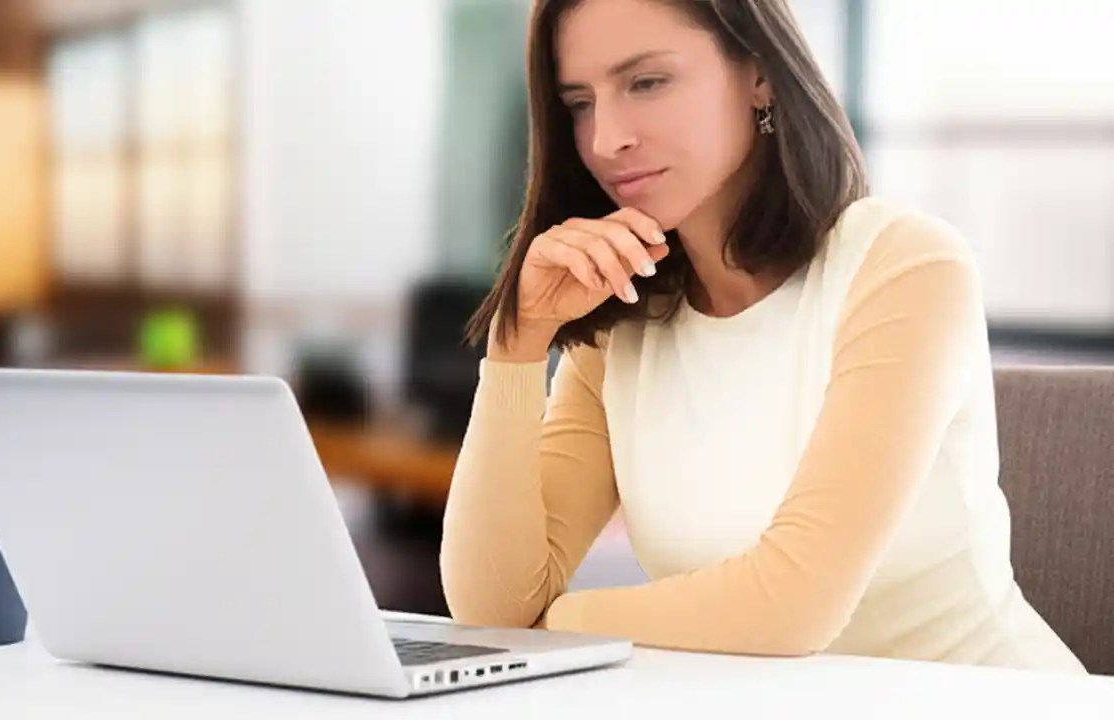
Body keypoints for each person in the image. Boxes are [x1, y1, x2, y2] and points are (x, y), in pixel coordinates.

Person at [439, 0, 1087, 674]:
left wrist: (552, 625)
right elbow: (490, 605)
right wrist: (517, 344)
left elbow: (790, 605)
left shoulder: (904, 267)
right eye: (579, 103)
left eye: (646, 83)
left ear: (759, 75)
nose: (606, 139)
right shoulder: (623, 321)